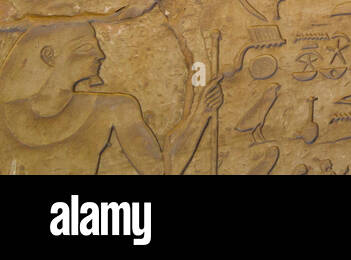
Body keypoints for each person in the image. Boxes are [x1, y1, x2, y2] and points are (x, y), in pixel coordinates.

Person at [0, 22, 221, 174]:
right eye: (86, 47)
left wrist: (202, 114)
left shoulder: (114, 108)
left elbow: (161, 170)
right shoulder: (5, 114)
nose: (100, 55)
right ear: (49, 56)